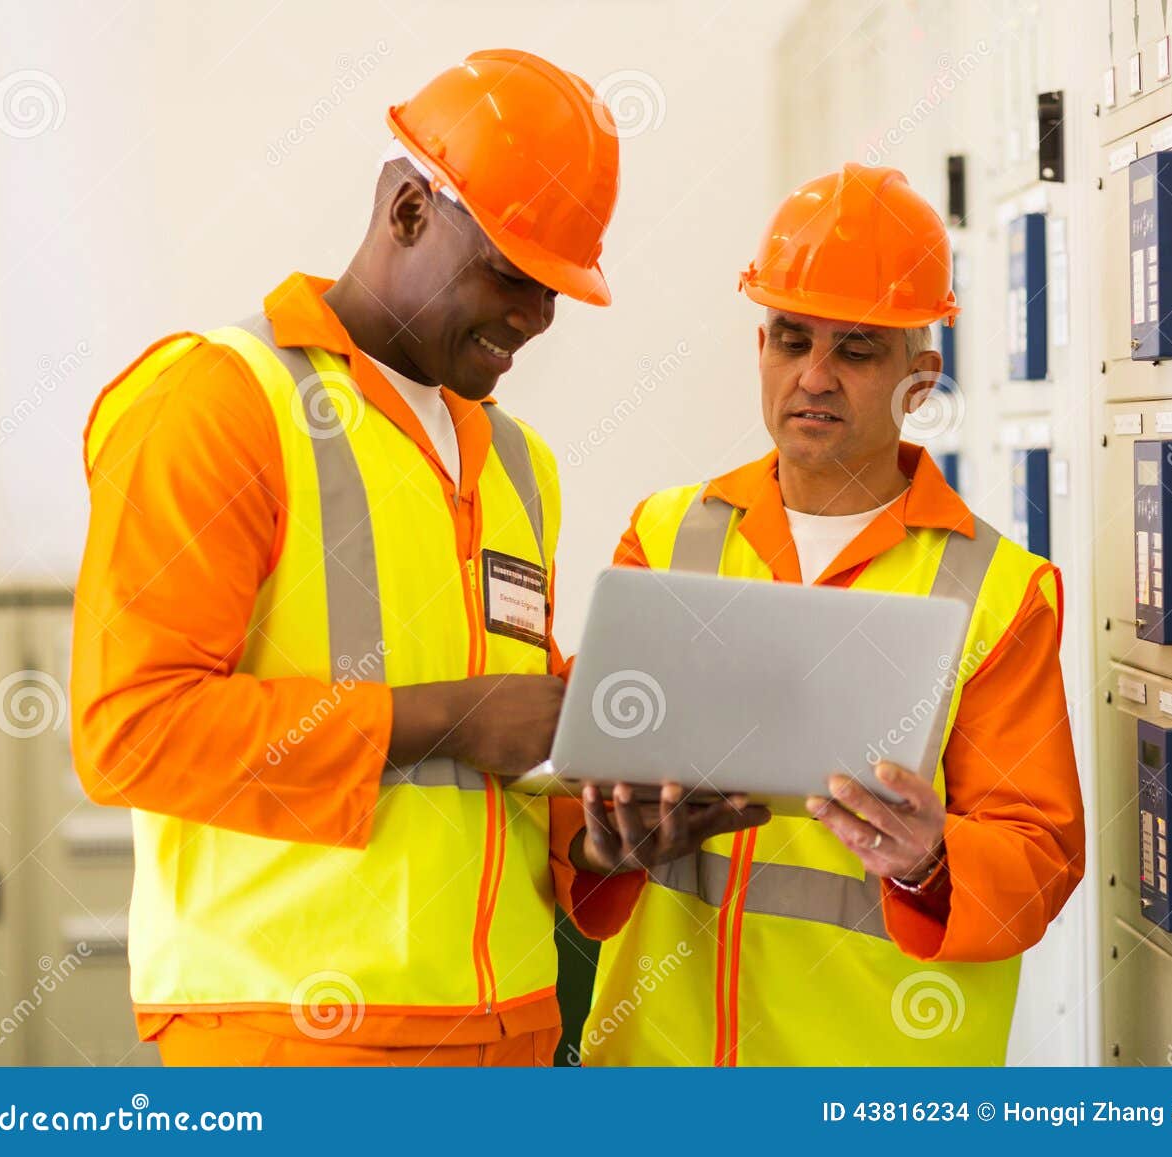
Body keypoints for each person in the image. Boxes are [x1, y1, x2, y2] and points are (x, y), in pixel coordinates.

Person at [70, 49, 765, 1068]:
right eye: (511, 274)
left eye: (556, 290)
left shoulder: (518, 464)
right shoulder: (221, 404)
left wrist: (603, 834)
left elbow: (499, 777)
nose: (534, 318)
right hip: (291, 1039)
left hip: (511, 1028)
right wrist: (447, 713)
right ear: (405, 208)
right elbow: (128, 730)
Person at [581, 164, 1085, 1066]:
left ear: (919, 381)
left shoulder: (997, 588)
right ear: (760, 347)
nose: (813, 375)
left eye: (856, 348)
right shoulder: (663, 537)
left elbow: (1036, 866)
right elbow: (581, 811)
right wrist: (598, 837)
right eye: (789, 338)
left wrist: (932, 858)